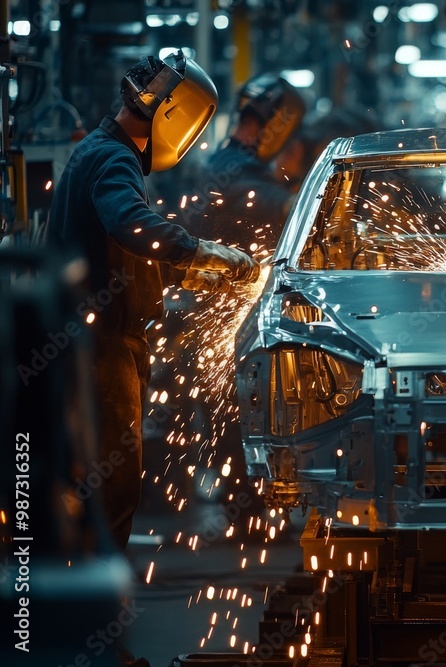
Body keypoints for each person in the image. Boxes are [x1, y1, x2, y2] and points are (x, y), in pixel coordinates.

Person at [43, 52, 260, 551]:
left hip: (89, 338)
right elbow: (131, 226)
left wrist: (190, 273)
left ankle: (84, 588)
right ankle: (95, 601)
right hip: (100, 346)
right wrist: (202, 251)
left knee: (95, 472)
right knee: (113, 479)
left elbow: (119, 251)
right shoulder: (114, 158)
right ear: (173, 114)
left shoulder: (101, 150)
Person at [199, 73, 306, 254]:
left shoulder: (216, 159)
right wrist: (296, 205)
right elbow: (260, 196)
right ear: (280, 126)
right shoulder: (241, 171)